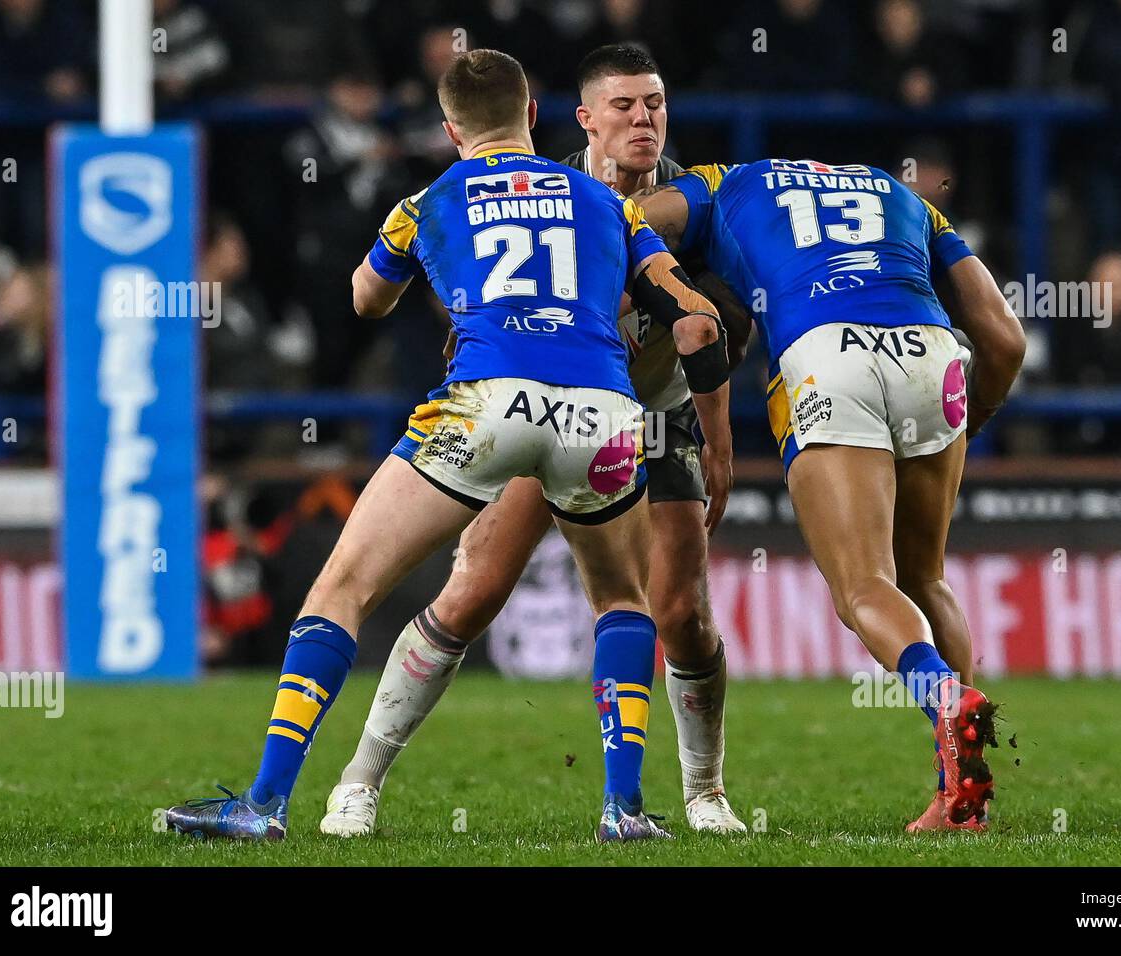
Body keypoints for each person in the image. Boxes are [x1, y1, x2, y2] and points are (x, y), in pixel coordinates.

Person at [164, 49, 732, 843]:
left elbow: (364, 299)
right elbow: (689, 312)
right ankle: (623, 809)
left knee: (342, 589)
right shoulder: (609, 205)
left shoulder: (428, 198)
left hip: (487, 403)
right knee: (621, 602)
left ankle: (264, 803)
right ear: (533, 116)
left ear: (450, 129)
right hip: (603, 415)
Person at [320, 44, 752, 839]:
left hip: (656, 416)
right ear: (584, 118)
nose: (644, 120)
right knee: (473, 592)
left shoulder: (693, 204)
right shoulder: (552, 188)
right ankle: (359, 781)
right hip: (553, 404)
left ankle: (705, 792)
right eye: (624, 106)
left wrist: (718, 441)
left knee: (682, 611)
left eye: (655, 104)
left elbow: (717, 321)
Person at [635, 157, 1025, 830]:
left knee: (865, 589)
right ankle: (958, 799)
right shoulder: (901, 195)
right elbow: (1006, 340)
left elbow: (630, 223)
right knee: (924, 577)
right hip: (931, 353)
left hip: (827, 355)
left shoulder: (724, 182)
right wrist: (973, 415)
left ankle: (946, 698)